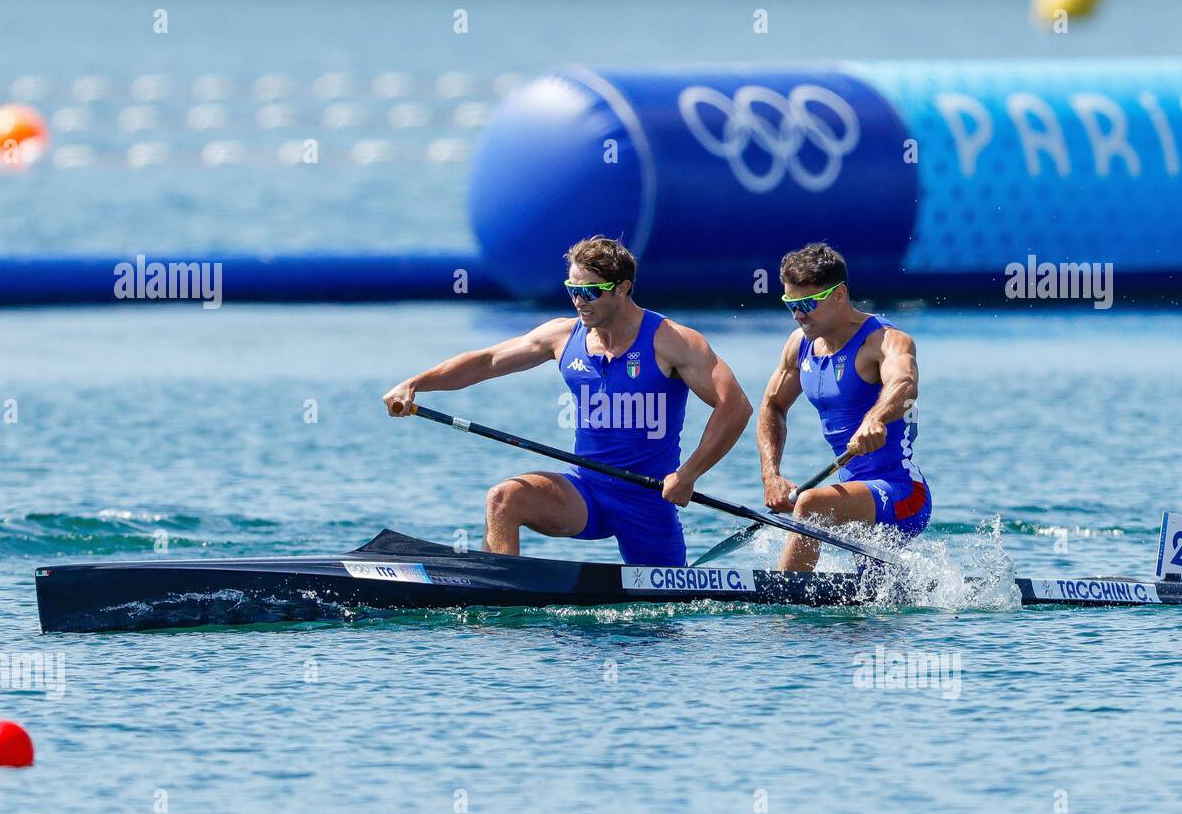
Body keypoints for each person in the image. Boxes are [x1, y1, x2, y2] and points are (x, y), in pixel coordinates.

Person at [383, 236, 751, 566]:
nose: (579, 300)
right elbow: (486, 361)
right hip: (585, 490)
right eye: (572, 289)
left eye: (590, 291)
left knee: (663, 625)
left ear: (622, 289)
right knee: (504, 498)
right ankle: (500, 599)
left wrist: (687, 475)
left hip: (649, 499)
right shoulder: (562, 336)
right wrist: (416, 383)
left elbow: (734, 406)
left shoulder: (672, 341)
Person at [757, 242, 931, 571]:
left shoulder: (882, 340)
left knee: (809, 505)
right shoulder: (799, 345)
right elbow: (772, 406)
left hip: (903, 493)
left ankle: (781, 613)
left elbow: (904, 383)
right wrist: (772, 476)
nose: (798, 315)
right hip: (853, 495)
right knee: (873, 609)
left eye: (807, 303)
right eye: (790, 304)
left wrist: (875, 418)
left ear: (839, 295)